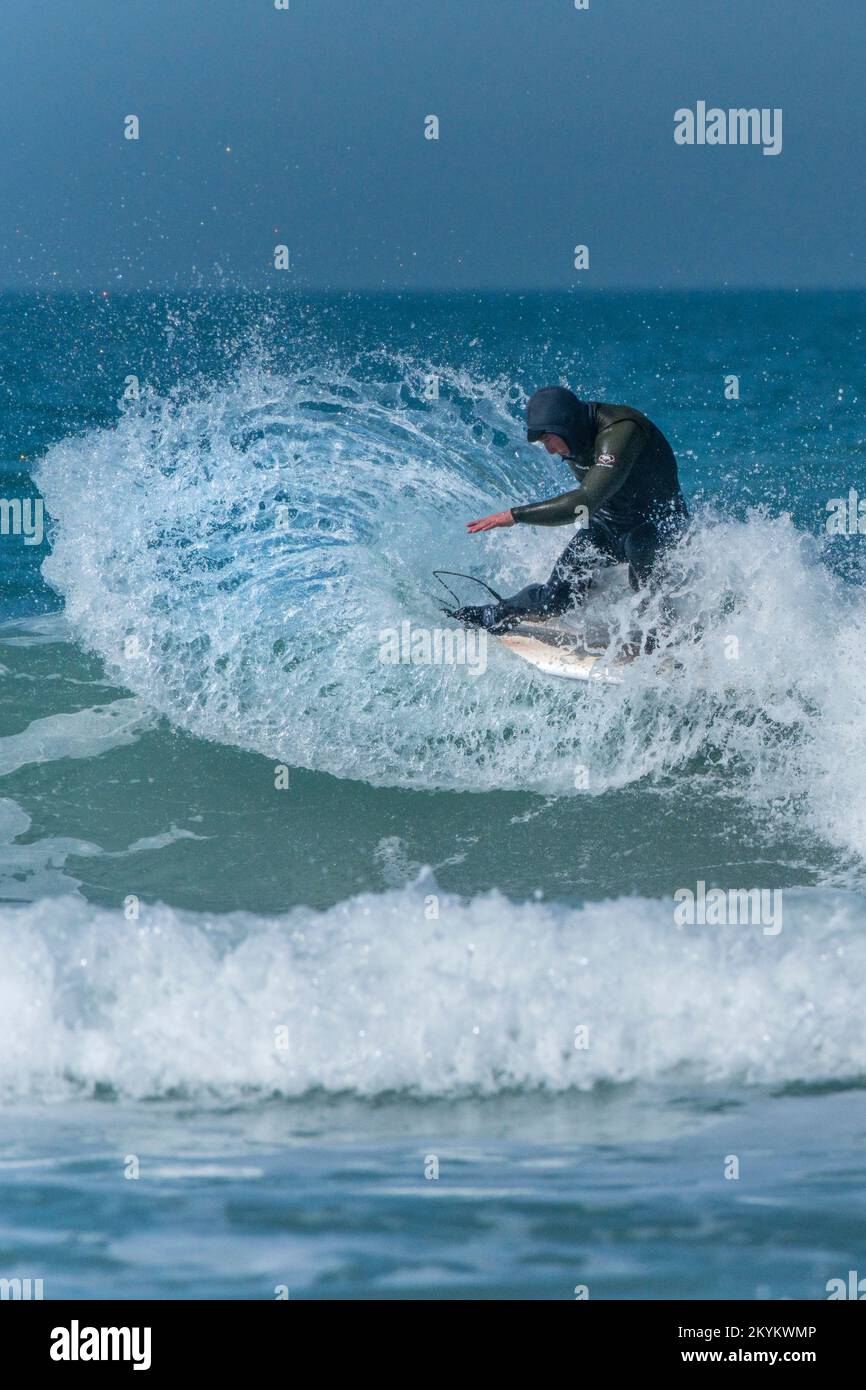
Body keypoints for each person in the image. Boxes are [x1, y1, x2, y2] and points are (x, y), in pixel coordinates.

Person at [449, 386, 688, 636]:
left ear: (565, 425)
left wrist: (515, 515)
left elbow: (581, 503)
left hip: (659, 527)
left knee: (642, 555)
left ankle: (663, 638)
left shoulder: (622, 430)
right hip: (607, 527)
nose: (550, 450)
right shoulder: (575, 436)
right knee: (554, 599)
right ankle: (499, 613)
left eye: (548, 440)